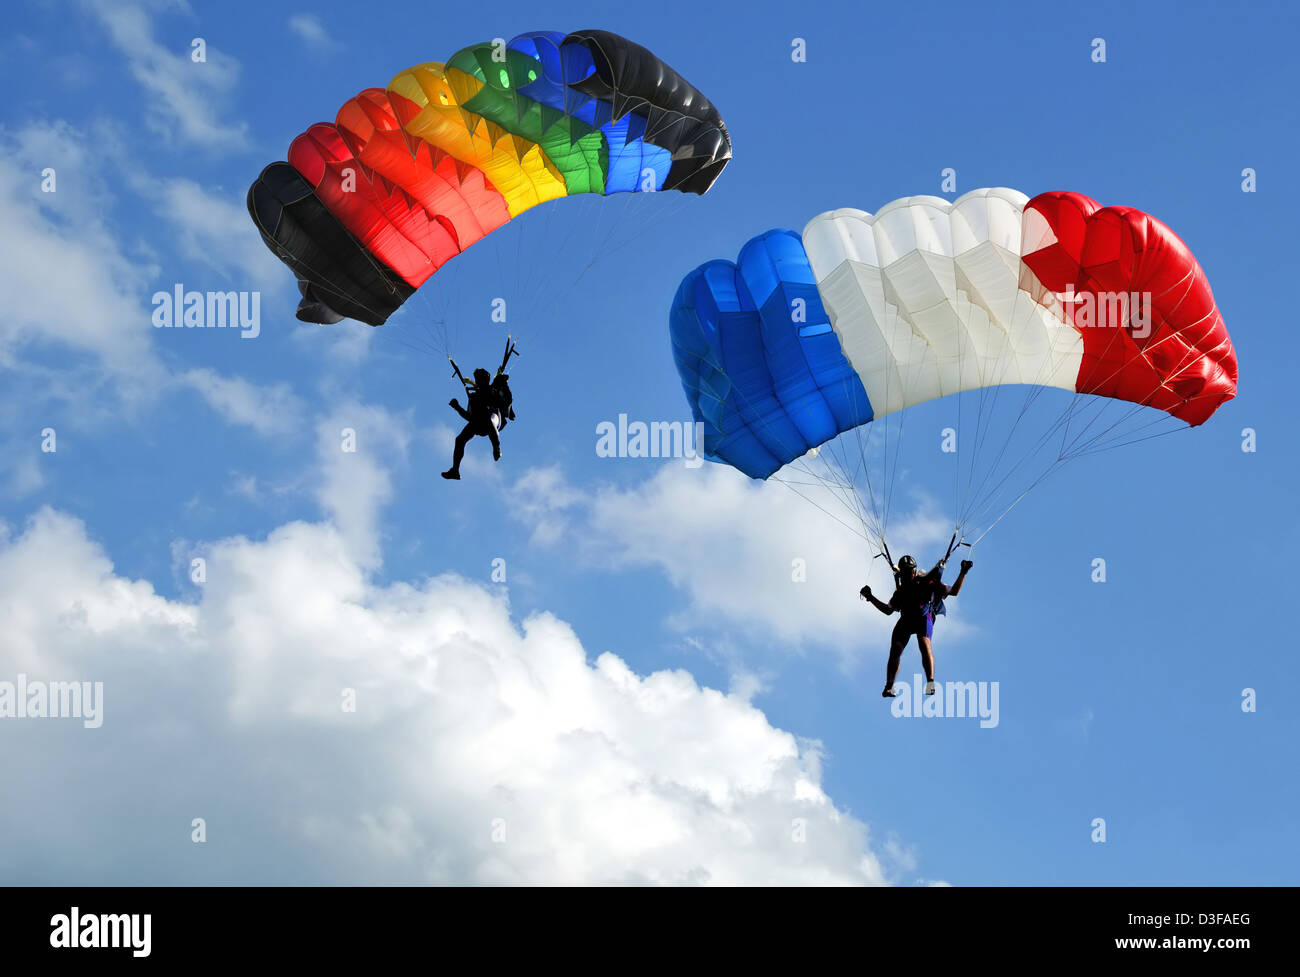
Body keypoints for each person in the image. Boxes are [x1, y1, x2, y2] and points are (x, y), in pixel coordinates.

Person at [860, 555, 973, 698]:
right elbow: (888, 610)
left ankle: (930, 683)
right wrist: (870, 597)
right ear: (901, 573)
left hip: (923, 618)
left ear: (914, 572)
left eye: (910, 572)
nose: (907, 575)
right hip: (906, 620)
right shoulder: (900, 592)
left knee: (924, 644)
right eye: (905, 572)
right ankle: (889, 686)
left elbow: (954, 592)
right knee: (895, 650)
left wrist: (963, 572)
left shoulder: (927, 582)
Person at [442, 339, 517, 480]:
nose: (480, 382)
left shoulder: (493, 390)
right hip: (477, 422)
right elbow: (469, 416)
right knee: (459, 440)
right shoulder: (474, 397)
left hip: (494, 418)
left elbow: (507, 400)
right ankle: (455, 470)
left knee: (489, 420)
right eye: (478, 380)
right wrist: (457, 407)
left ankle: (496, 448)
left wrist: (503, 383)